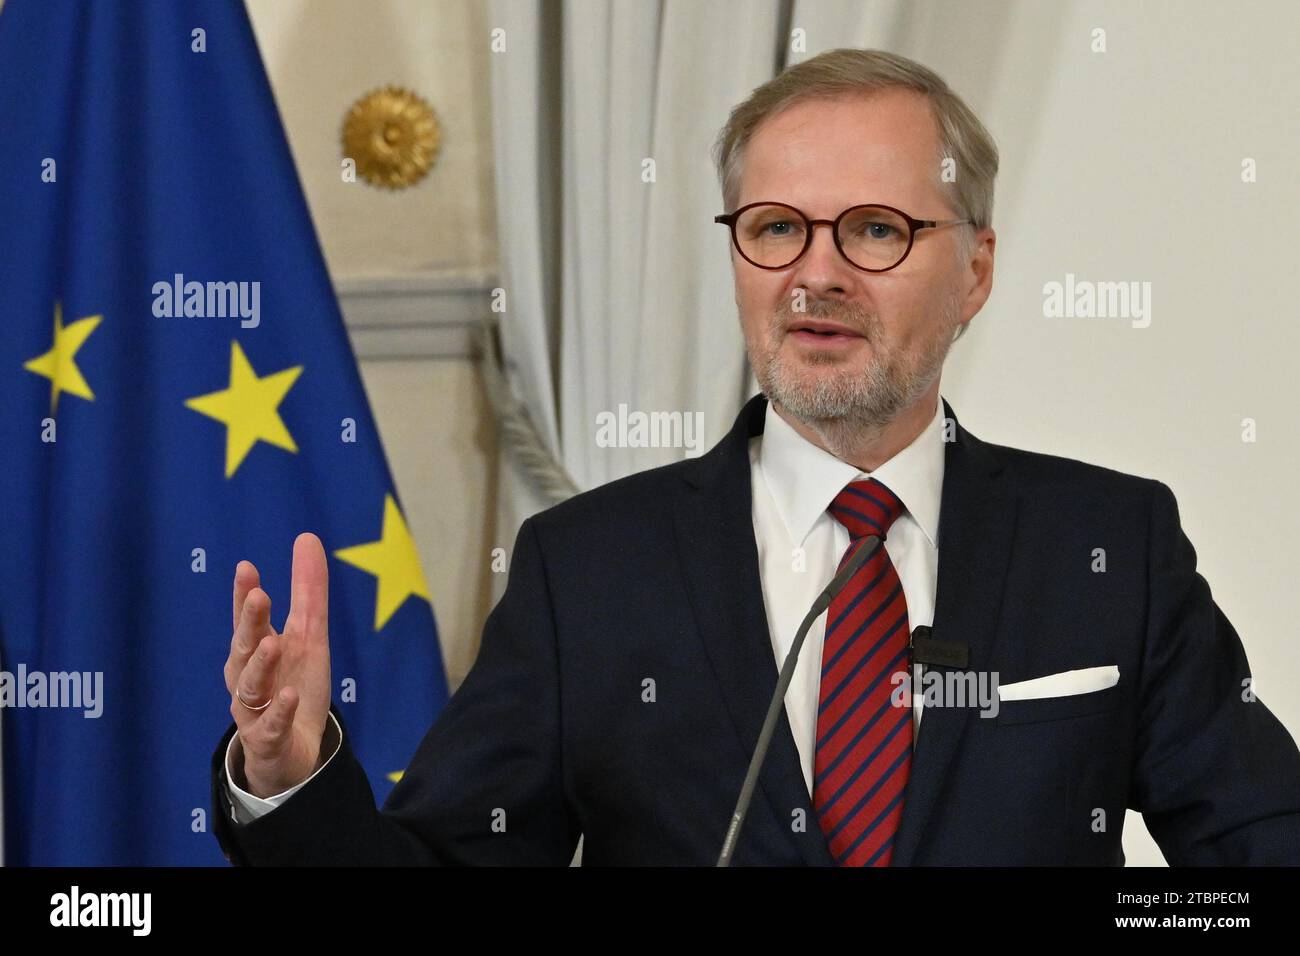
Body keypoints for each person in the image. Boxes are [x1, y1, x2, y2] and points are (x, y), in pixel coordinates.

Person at [211, 48, 1300, 866]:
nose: (813, 274)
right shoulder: (587, 571)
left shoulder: (1109, 547)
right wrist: (290, 775)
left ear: (974, 271)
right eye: (776, 226)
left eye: (874, 229)